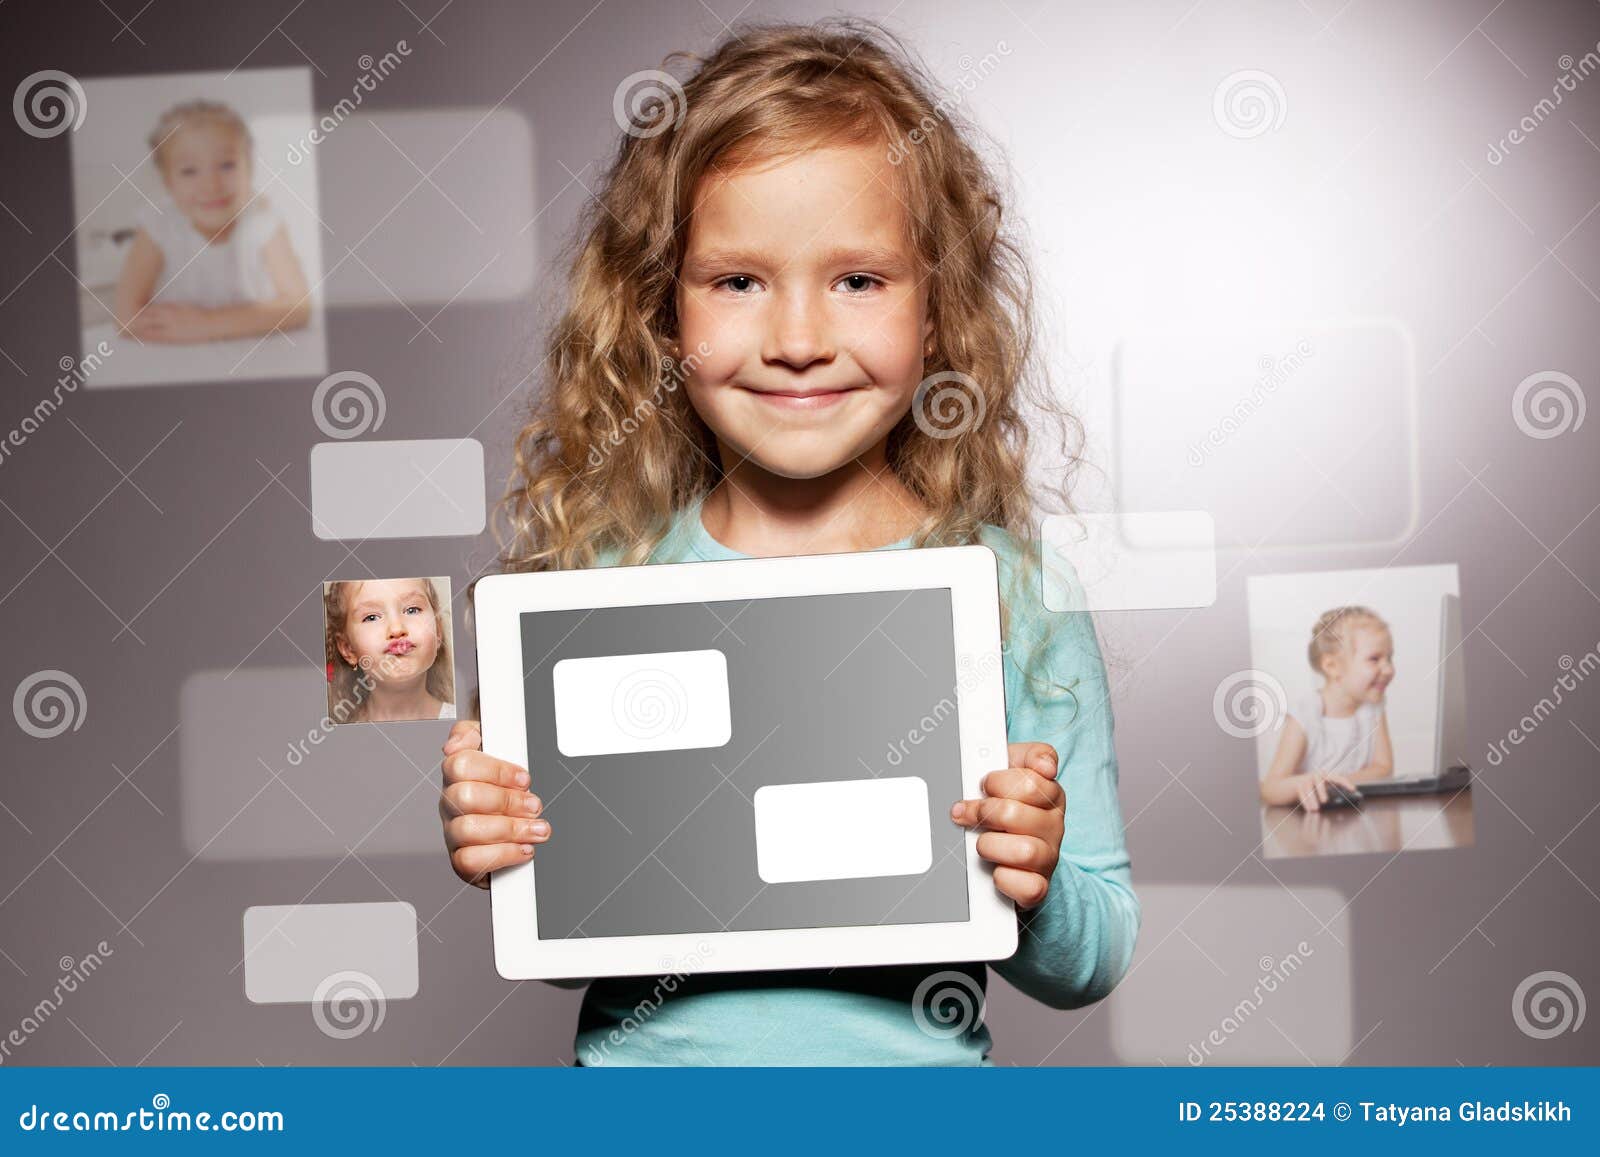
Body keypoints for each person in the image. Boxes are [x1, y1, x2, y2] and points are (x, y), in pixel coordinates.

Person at [438, 20, 1139, 1064]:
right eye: (737, 281)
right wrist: (511, 849)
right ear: (663, 316)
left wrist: (1033, 880)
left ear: (938, 308)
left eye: (858, 279)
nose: (799, 339)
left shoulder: (1013, 594)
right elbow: (579, 945)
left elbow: (1097, 954)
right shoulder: (603, 589)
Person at [113, 99, 311, 344]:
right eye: (189, 171)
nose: (212, 185)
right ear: (168, 182)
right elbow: (125, 318)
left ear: (249, 168)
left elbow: (300, 307)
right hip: (180, 355)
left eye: (227, 165)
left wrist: (209, 324)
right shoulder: (158, 225)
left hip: (254, 348)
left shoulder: (263, 222)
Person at [1260, 605, 1396, 812]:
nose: (1389, 669)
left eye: (1390, 658)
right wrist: (1302, 785)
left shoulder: (1373, 707)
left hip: (1356, 816)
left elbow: (1384, 768)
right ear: (1332, 666)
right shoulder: (1305, 714)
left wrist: (1336, 784)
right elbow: (1270, 788)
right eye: (1375, 659)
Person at [325, 578, 455, 723]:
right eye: (371, 617)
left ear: (438, 631)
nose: (396, 629)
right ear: (347, 648)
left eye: (412, 610)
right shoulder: (339, 734)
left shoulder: (469, 727)